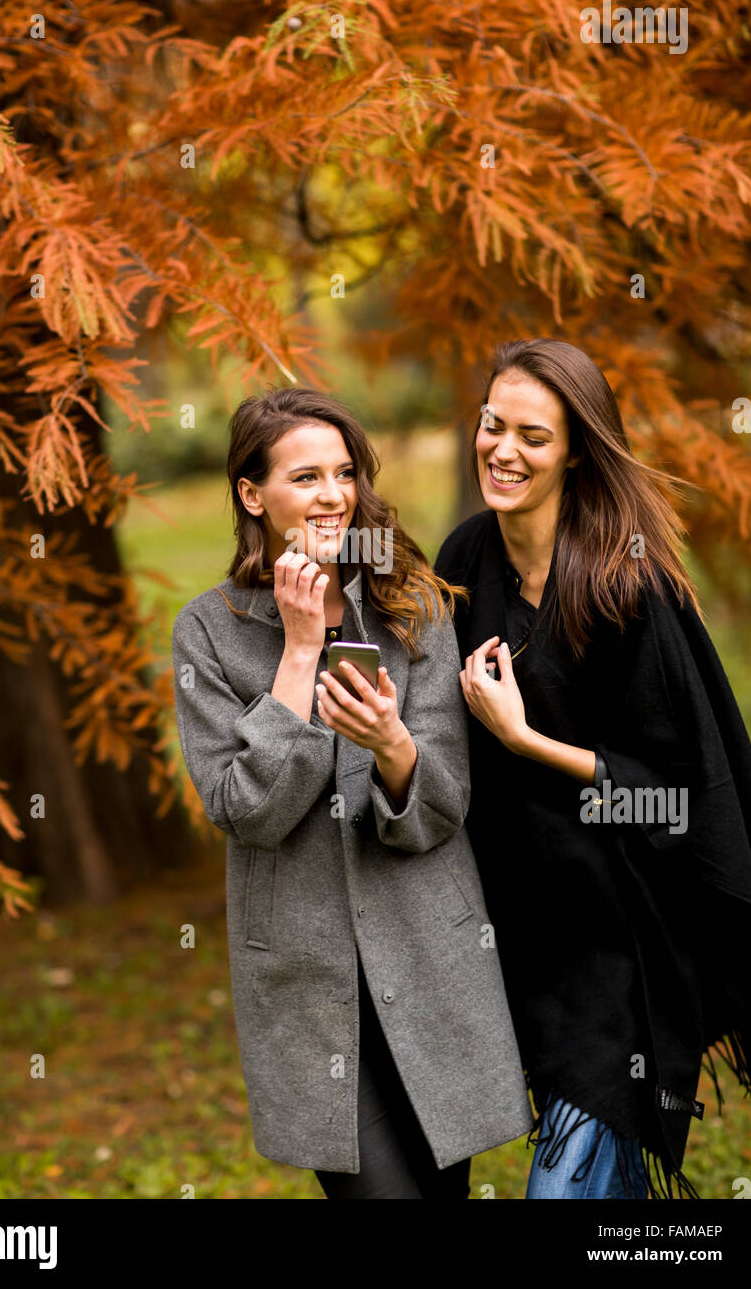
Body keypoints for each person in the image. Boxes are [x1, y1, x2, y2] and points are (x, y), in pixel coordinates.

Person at [172, 386, 532, 1199]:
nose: (332, 496)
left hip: (429, 958)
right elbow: (244, 812)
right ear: (251, 493)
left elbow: (443, 807)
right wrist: (300, 655)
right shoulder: (208, 630)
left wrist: (393, 745)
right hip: (309, 981)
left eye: (342, 474)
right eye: (304, 478)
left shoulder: (415, 609)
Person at [434, 337, 751, 1200]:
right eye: (491, 425)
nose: (502, 451)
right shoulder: (466, 561)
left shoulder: (627, 587)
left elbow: (674, 799)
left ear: (577, 449)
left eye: (533, 437)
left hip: (624, 937)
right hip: (516, 926)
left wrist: (526, 741)